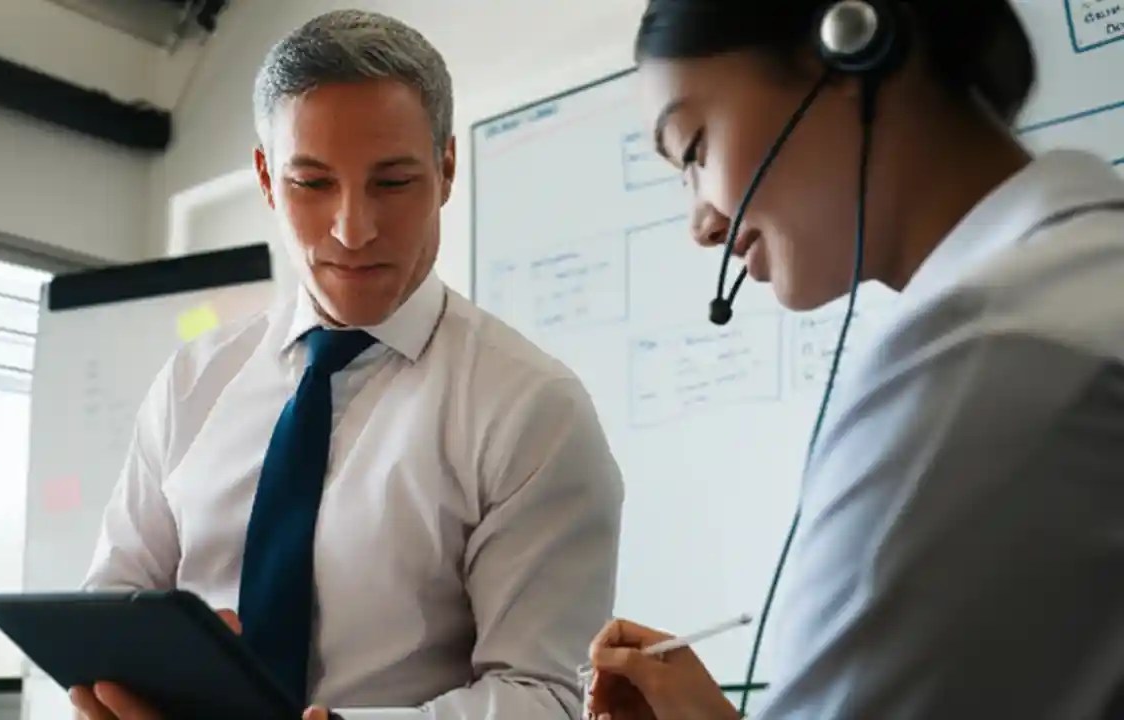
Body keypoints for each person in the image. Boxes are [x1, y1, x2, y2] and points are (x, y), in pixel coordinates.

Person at [68, 9, 624, 720]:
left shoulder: (531, 408)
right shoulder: (191, 382)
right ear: (267, 178)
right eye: (312, 184)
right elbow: (112, 610)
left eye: (392, 183)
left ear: (446, 168)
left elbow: (548, 695)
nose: (352, 229)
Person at [589, 0, 1124, 718]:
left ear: (850, 47)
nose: (703, 222)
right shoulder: (1078, 282)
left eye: (694, 149)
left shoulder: (983, 362)